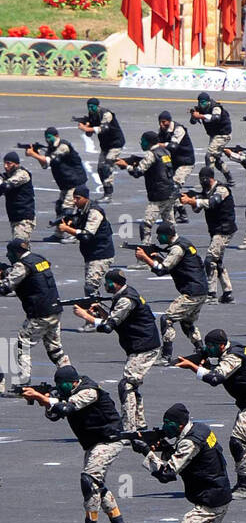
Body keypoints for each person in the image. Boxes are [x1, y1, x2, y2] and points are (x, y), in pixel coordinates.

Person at [21, 363, 130, 523]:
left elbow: (67, 409)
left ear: (73, 383)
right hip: (94, 443)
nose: (60, 389)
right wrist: (45, 402)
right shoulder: (69, 391)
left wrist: (42, 397)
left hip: (109, 440)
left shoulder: (89, 391)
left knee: (89, 480)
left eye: (62, 385)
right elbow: (54, 416)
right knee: (97, 485)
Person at [176, 330, 246, 497]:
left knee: (238, 442)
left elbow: (215, 379)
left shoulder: (232, 357)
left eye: (212, 347)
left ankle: (245, 486)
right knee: (240, 441)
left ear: (222, 346)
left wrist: (194, 367)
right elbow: (207, 355)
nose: (209, 350)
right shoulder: (232, 347)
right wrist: (200, 357)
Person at [75, 269, 162, 432]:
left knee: (127, 385)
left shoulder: (126, 300)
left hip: (144, 348)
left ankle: (129, 428)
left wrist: (86, 317)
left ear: (113, 283)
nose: (105, 286)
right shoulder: (125, 295)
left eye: (107, 282)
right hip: (141, 345)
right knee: (132, 384)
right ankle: (139, 423)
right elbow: (117, 319)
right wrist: (100, 310)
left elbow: (109, 326)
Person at [0, 238, 69, 395]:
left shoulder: (22, 265)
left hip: (40, 313)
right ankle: (69, 376)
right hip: (55, 309)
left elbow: (6, 287)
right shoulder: (39, 259)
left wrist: (4, 278)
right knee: (55, 349)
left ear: (17, 253)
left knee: (22, 345)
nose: (8, 256)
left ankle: (23, 383)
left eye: (9, 253)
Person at [137, 220, 209, 363]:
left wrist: (145, 258)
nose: (158, 238)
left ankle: (166, 355)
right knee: (186, 323)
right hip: (200, 290)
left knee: (167, 319)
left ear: (167, 235)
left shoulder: (177, 249)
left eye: (160, 235)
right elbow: (174, 264)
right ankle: (201, 349)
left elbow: (161, 270)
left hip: (191, 293)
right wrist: (158, 258)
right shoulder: (184, 243)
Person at [181, 166, 237, 303]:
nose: (202, 181)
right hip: (216, 230)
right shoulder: (206, 191)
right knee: (217, 261)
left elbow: (212, 203)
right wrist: (190, 200)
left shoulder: (221, 189)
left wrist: (192, 201)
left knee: (210, 260)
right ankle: (227, 292)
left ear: (211, 178)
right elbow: (197, 209)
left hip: (224, 230)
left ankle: (211, 293)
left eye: (204, 179)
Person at [54, 184, 115, 298]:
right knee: (89, 287)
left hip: (101, 255)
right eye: (74, 198)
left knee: (90, 288)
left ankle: (97, 312)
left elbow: (87, 235)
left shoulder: (94, 211)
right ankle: (95, 309)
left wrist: (68, 229)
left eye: (78, 198)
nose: (75, 201)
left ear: (85, 197)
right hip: (92, 254)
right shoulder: (83, 210)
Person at [116, 130, 176, 244]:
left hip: (158, 196)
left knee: (146, 225)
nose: (141, 143)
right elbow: (157, 167)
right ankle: (176, 248)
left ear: (148, 142)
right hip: (169, 193)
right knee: (169, 226)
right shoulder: (165, 151)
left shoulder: (151, 154)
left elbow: (138, 172)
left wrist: (126, 166)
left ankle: (146, 252)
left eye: (143, 141)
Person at [26, 126, 88, 226]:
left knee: (67, 209)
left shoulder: (63, 146)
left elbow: (49, 160)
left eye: (49, 137)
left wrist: (33, 154)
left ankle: (69, 234)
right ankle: (59, 233)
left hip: (75, 182)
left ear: (56, 136)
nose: (47, 139)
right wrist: (37, 154)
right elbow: (45, 165)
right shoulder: (50, 149)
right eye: (46, 137)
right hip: (65, 183)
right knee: (59, 207)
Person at [75, 97, 125, 199]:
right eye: (88, 107)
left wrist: (86, 128)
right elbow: (89, 134)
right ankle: (106, 191)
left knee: (107, 166)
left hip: (115, 144)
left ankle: (108, 194)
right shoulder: (92, 116)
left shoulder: (106, 114)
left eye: (92, 107)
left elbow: (104, 128)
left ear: (97, 106)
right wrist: (86, 126)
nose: (90, 109)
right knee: (100, 169)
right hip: (105, 145)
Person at [156, 110, 197, 224]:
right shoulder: (162, 131)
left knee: (174, 186)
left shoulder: (178, 129)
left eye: (163, 122)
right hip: (174, 163)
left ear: (169, 121)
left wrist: (159, 145)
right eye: (160, 122)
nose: (161, 125)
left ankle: (181, 213)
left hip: (186, 162)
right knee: (167, 187)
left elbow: (173, 146)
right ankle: (177, 211)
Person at [189, 93, 234, 185]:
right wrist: (193, 115)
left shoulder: (215, 107)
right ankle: (229, 178)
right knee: (216, 158)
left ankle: (208, 180)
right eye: (200, 103)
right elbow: (192, 121)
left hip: (223, 134)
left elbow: (216, 118)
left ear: (209, 101)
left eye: (204, 102)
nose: (202, 105)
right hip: (214, 135)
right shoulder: (199, 109)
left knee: (209, 156)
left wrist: (200, 116)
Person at [0, 151, 37, 243]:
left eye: (8, 163)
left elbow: (7, 185)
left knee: (20, 248)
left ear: (16, 164)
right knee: (17, 250)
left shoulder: (22, 174)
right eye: (4, 163)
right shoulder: (8, 176)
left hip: (24, 219)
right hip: (15, 217)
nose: (5, 166)